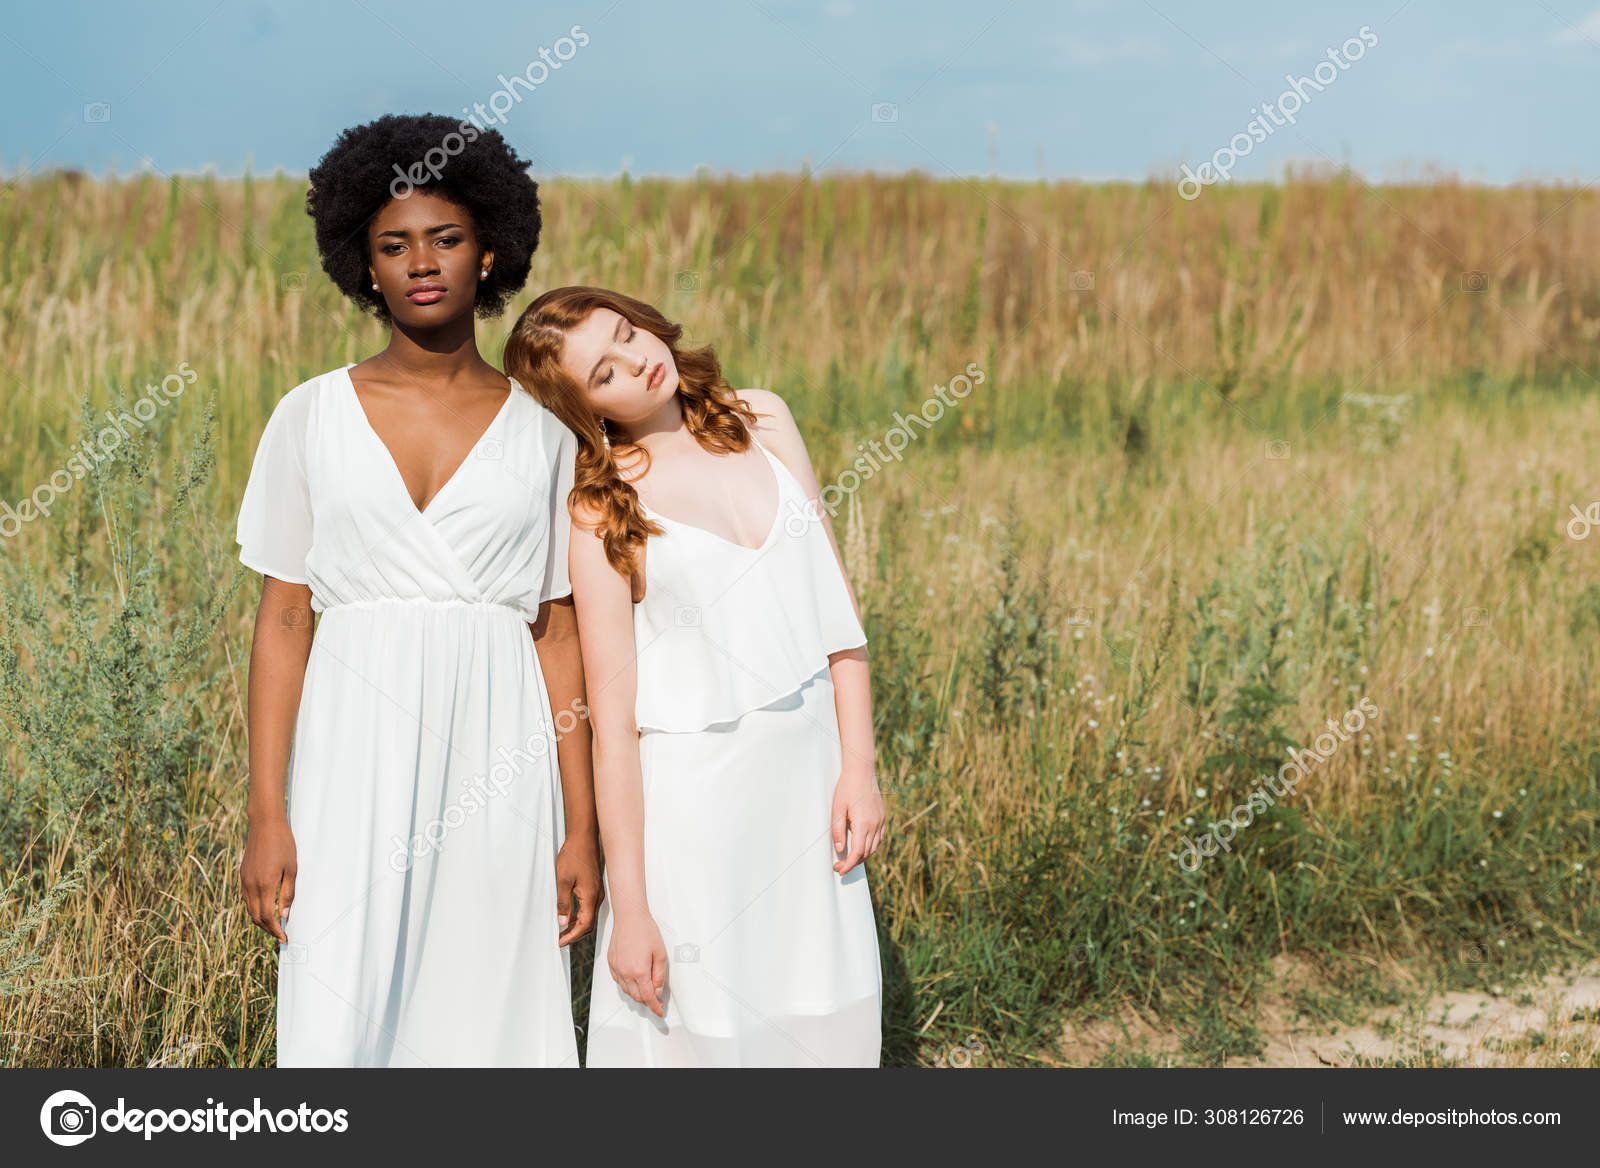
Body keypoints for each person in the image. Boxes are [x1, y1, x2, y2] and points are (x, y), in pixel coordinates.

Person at [236, 115, 599, 1067]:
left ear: (490, 254)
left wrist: (581, 828)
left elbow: (557, 634)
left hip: (500, 745)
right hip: (350, 747)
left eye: (446, 238)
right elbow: (284, 621)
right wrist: (267, 813)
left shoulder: (547, 433)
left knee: (489, 1007)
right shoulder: (309, 415)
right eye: (394, 245)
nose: (422, 263)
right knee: (340, 997)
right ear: (364, 265)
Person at [504, 286, 885, 1066]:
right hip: (697, 811)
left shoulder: (764, 418)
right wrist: (633, 908)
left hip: (809, 782)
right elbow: (612, 728)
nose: (636, 361)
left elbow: (838, 615)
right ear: (582, 409)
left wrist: (860, 767)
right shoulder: (600, 509)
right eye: (603, 373)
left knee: (824, 1010)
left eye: (626, 333)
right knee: (709, 1032)